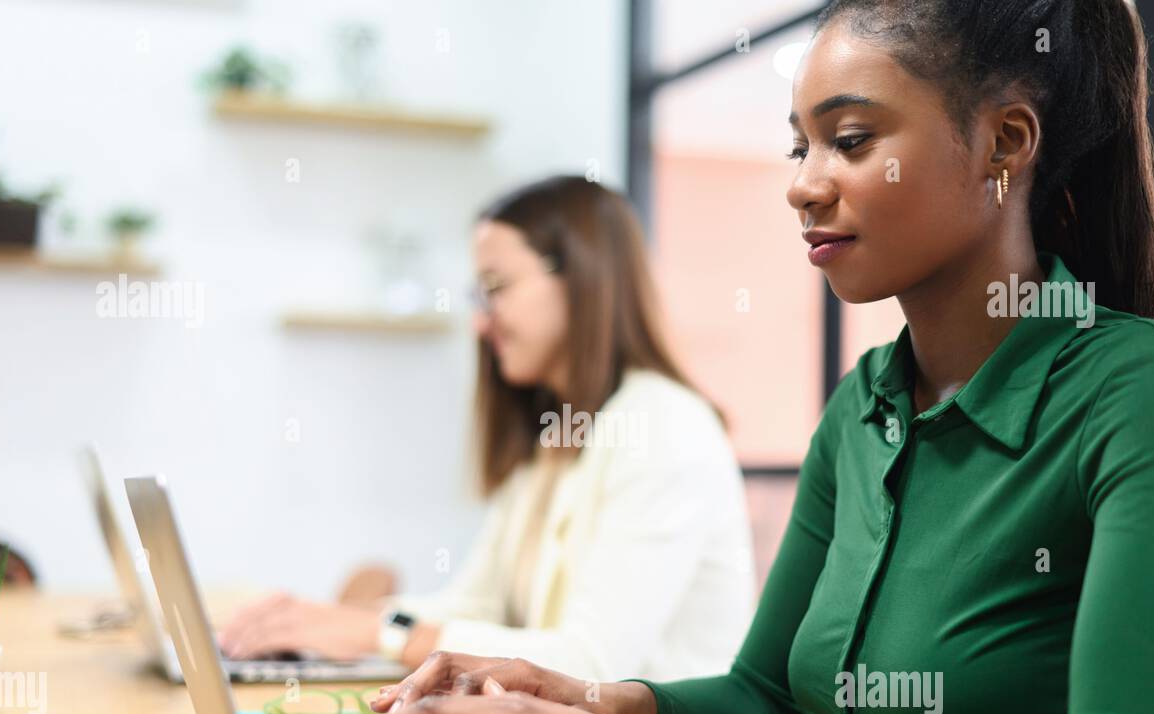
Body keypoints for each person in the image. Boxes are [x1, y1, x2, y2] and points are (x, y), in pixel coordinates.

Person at [340, 0, 1154, 714]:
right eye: (798, 144)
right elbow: (764, 696)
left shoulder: (1152, 390)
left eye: (850, 141)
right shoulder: (864, 406)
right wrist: (589, 701)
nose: (802, 184)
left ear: (1004, 145)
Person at [219, 175, 755, 683]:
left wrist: (376, 633)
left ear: (583, 277)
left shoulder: (664, 427)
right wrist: (318, 624)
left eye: (495, 288)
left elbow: (590, 666)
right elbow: (478, 604)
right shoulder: (558, 433)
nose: (479, 323)